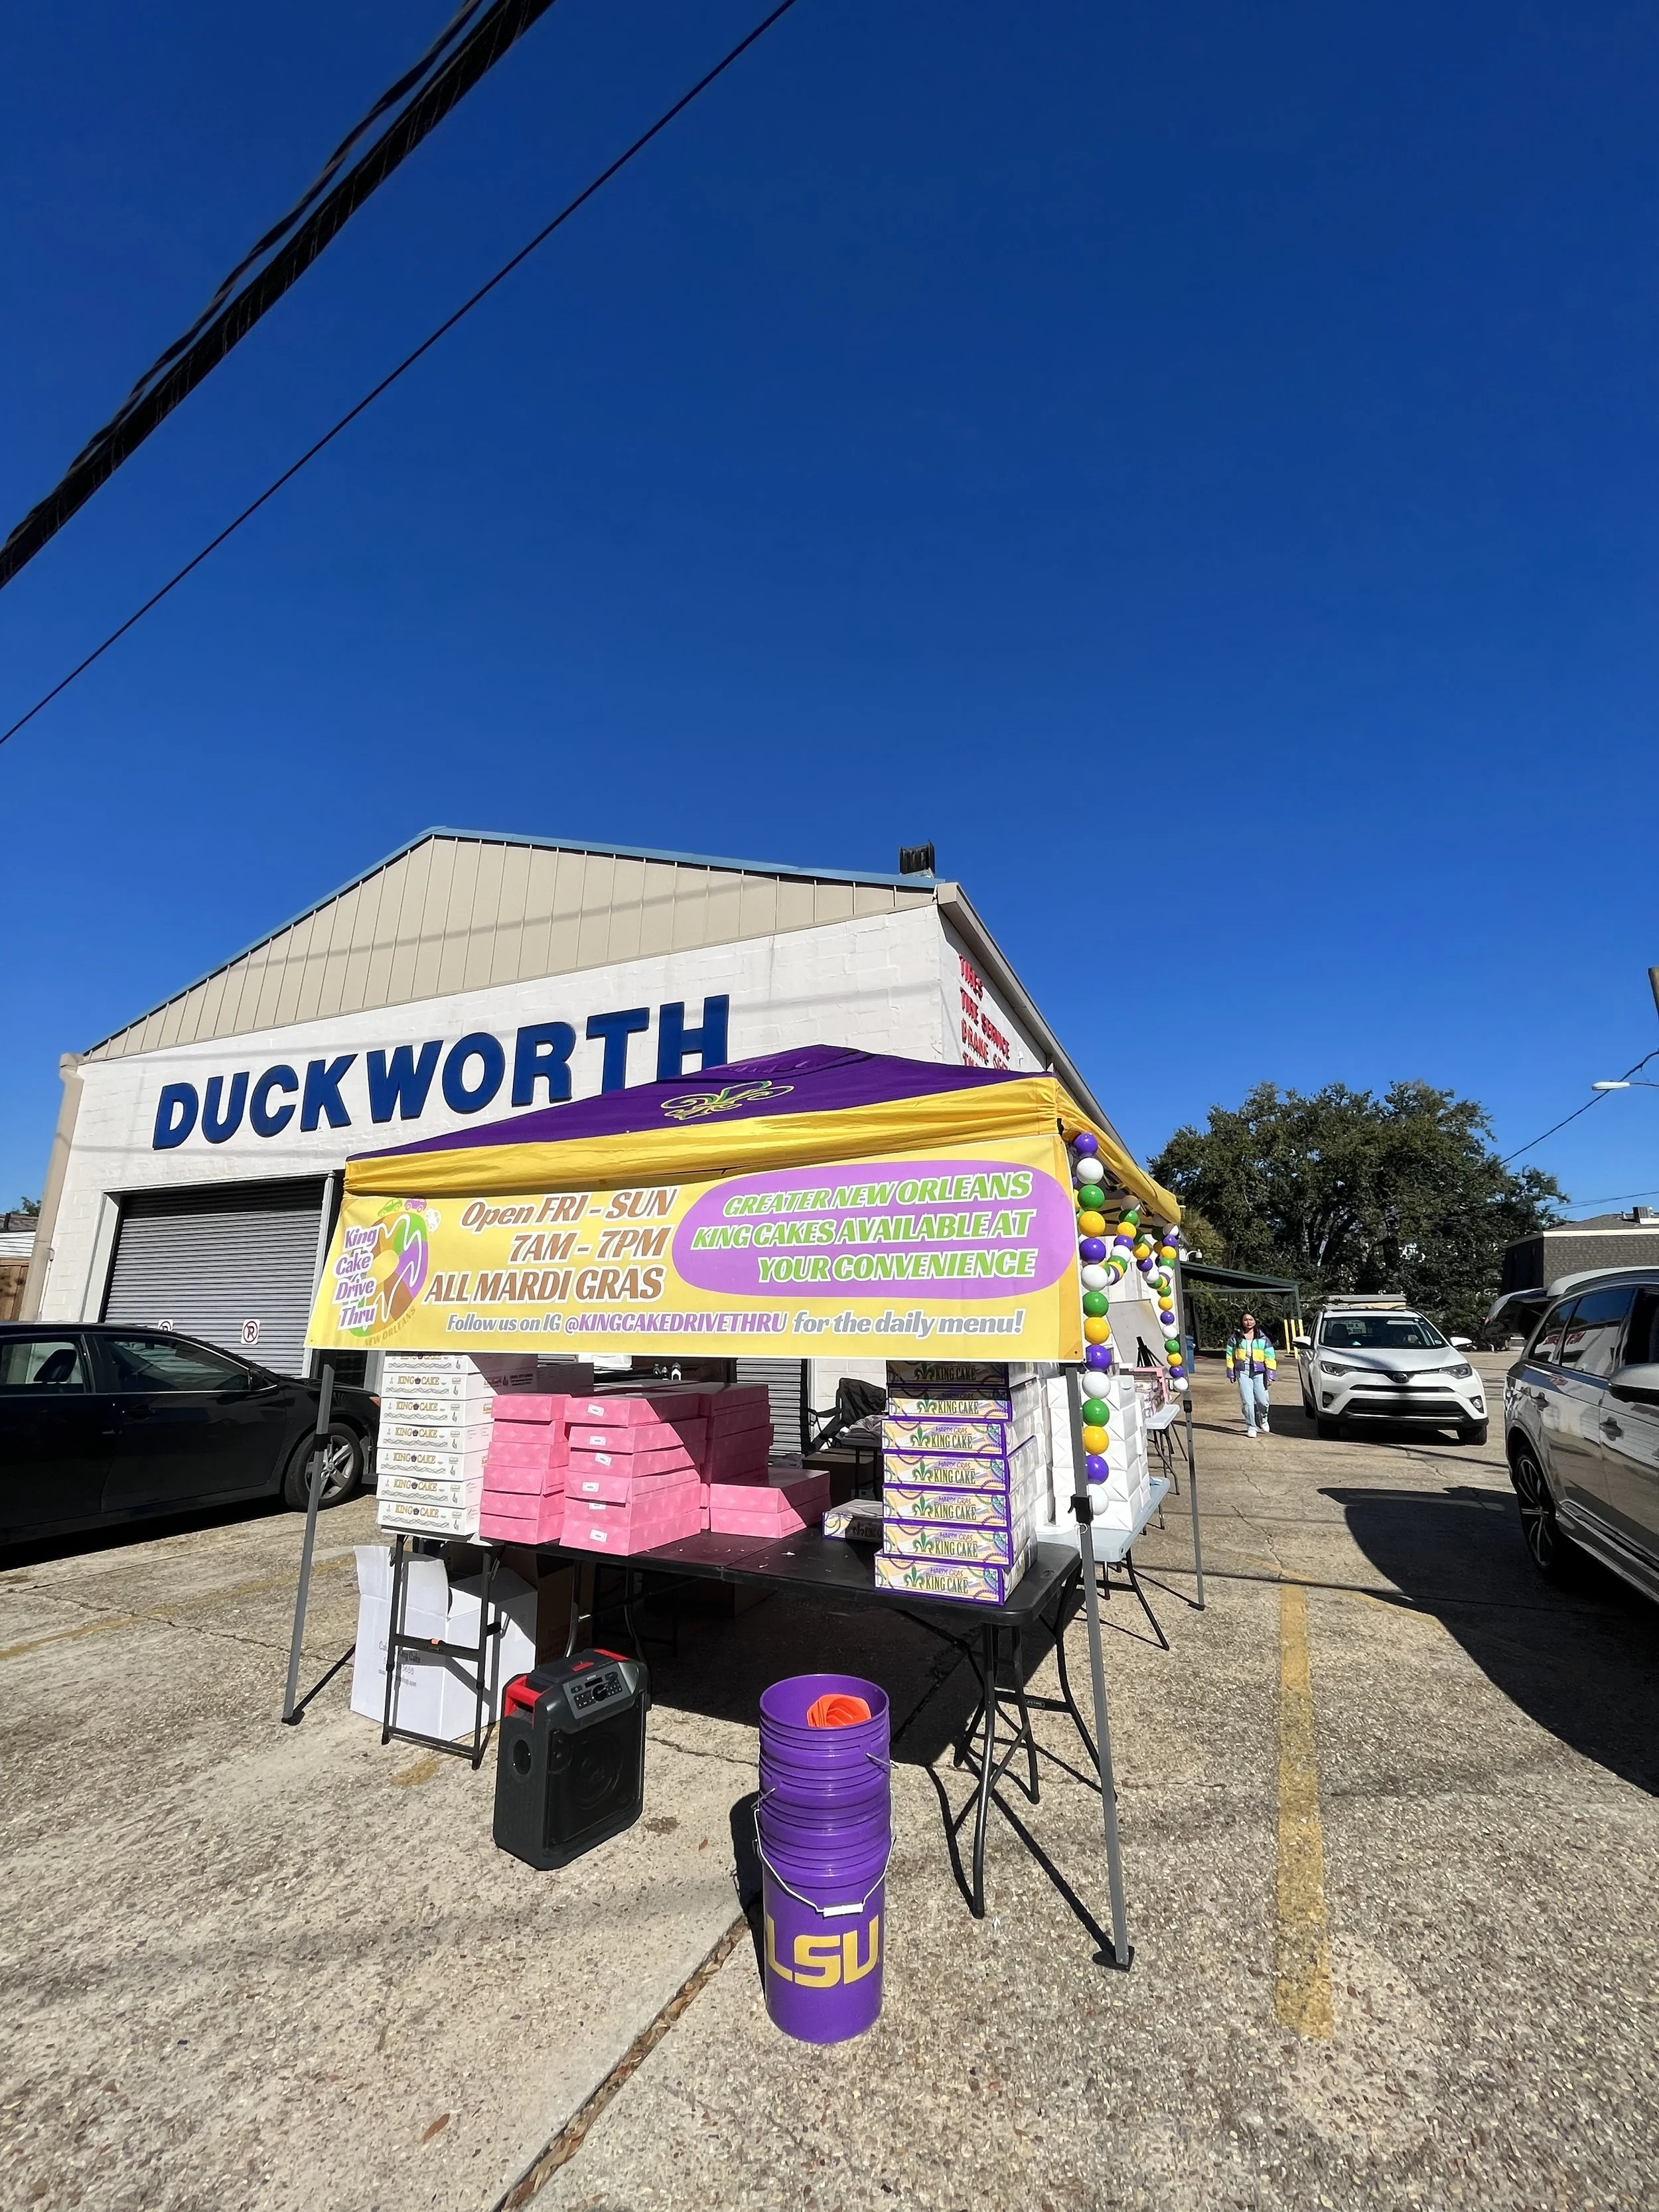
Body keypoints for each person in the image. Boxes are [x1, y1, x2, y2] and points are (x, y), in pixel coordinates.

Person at [1226, 1312, 1277, 1437]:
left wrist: (1270, 1374)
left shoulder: (1263, 1338)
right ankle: (1251, 1426)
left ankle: (1263, 1418)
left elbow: (1270, 1356)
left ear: (1255, 1321)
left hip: (1259, 1371)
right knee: (1248, 1401)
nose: (1248, 1322)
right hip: (1243, 1370)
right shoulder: (1235, 1338)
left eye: (1251, 1319)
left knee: (1263, 1401)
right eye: (1245, 1320)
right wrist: (1231, 1372)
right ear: (1242, 1322)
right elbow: (1229, 1355)